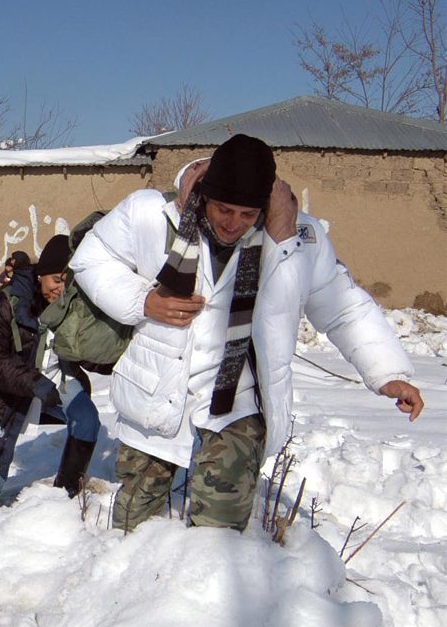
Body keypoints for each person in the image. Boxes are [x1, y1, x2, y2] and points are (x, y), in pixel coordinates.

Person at [69, 134, 424, 533]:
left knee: (217, 541)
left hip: (239, 399)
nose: (233, 223)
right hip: (156, 389)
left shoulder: (297, 239)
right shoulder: (150, 213)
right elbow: (91, 258)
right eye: (223, 208)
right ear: (205, 195)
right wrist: (143, 301)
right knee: (132, 528)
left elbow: (342, 305)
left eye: (247, 214)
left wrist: (388, 372)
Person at [0, 235, 102, 513]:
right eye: (56, 280)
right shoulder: (10, 302)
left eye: (67, 281)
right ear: (40, 276)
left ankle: (66, 497)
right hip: (9, 391)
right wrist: (34, 382)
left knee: (87, 420)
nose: (61, 289)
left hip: (57, 379)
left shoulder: (72, 304)